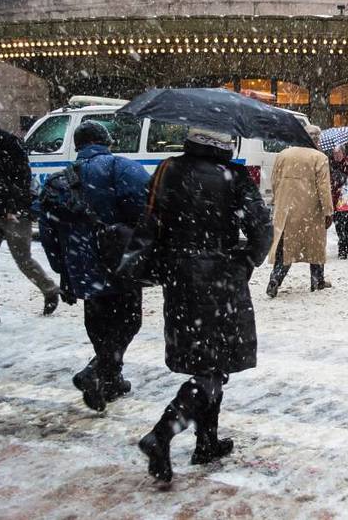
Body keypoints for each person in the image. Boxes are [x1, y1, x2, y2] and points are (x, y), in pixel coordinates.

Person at [121, 127, 272, 485]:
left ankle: (206, 441)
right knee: (214, 367)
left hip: (180, 278)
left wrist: (149, 265)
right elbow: (262, 229)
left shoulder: (167, 169)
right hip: (221, 279)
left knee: (207, 361)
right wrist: (246, 261)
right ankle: (162, 434)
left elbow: (149, 222)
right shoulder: (233, 177)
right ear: (223, 144)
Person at [37, 121, 149, 411]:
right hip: (119, 259)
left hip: (81, 263)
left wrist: (62, 268)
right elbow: (146, 209)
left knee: (98, 322)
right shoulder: (121, 168)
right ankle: (95, 372)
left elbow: (48, 232)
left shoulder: (57, 181)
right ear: (107, 142)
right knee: (128, 320)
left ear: (77, 146)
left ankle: (109, 381)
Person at [0, 110, 62, 326]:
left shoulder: (9, 144)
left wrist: (13, 206)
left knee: (23, 259)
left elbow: (21, 176)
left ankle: (50, 289)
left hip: (14, 213)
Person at [266, 126, 334, 297]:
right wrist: (328, 211)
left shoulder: (283, 154)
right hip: (310, 210)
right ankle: (317, 280)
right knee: (315, 245)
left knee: (285, 248)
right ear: (317, 139)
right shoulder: (319, 158)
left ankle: (275, 279)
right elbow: (324, 188)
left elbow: (274, 181)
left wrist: (278, 200)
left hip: (286, 209)